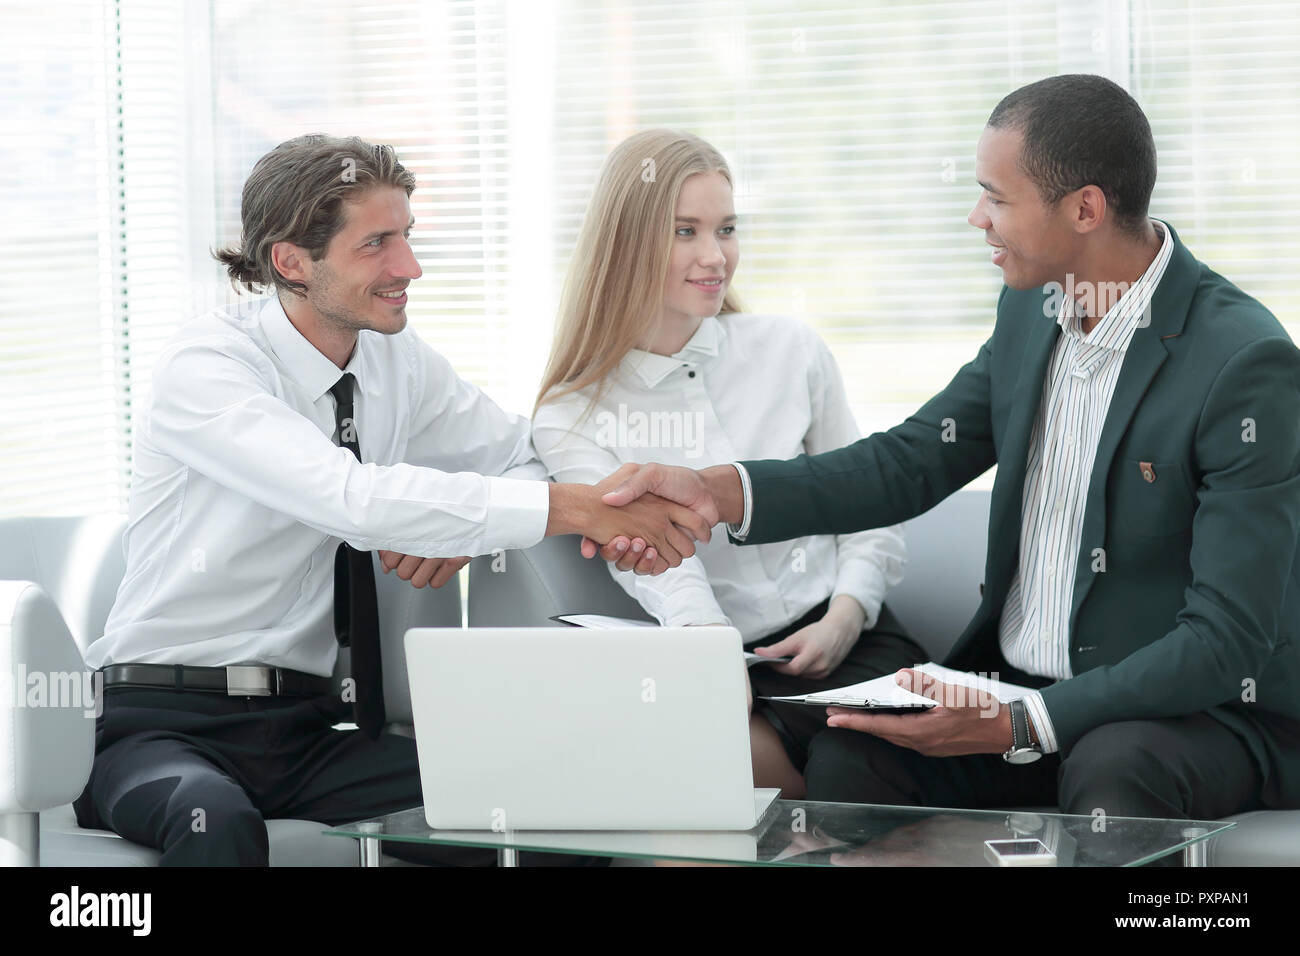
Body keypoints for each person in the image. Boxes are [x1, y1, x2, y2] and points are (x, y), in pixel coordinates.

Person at [588, 75, 1300, 823]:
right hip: (1020, 687)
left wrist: (1021, 724)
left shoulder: (1242, 365)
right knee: (859, 754)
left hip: (1198, 716)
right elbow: (912, 460)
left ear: (1085, 208)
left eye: (997, 197)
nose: (977, 218)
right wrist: (720, 492)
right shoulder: (1035, 304)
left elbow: (1227, 640)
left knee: (1115, 767)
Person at [73, 134, 709, 866]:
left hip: (307, 733)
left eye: (405, 236)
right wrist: (576, 508)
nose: (408, 266)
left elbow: (521, 455)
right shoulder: (208, 368)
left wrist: (469, 534)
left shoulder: (395, 361)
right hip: (157, 722)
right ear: (291, 262)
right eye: (376, 243)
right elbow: (347, 497)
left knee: (544, 817)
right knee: (214, 825)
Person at [532, 129, 922, 796]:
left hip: (853, 641)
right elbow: (662, 570)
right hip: (720, 659)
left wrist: (845, 616)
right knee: (681, 796)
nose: (715, 256)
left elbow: (870, 503)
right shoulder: (570, 415)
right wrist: (710, 657)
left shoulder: (791, 351)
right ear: (626, 244)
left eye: (726, 228)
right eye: (685, 231)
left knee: (846, 774)